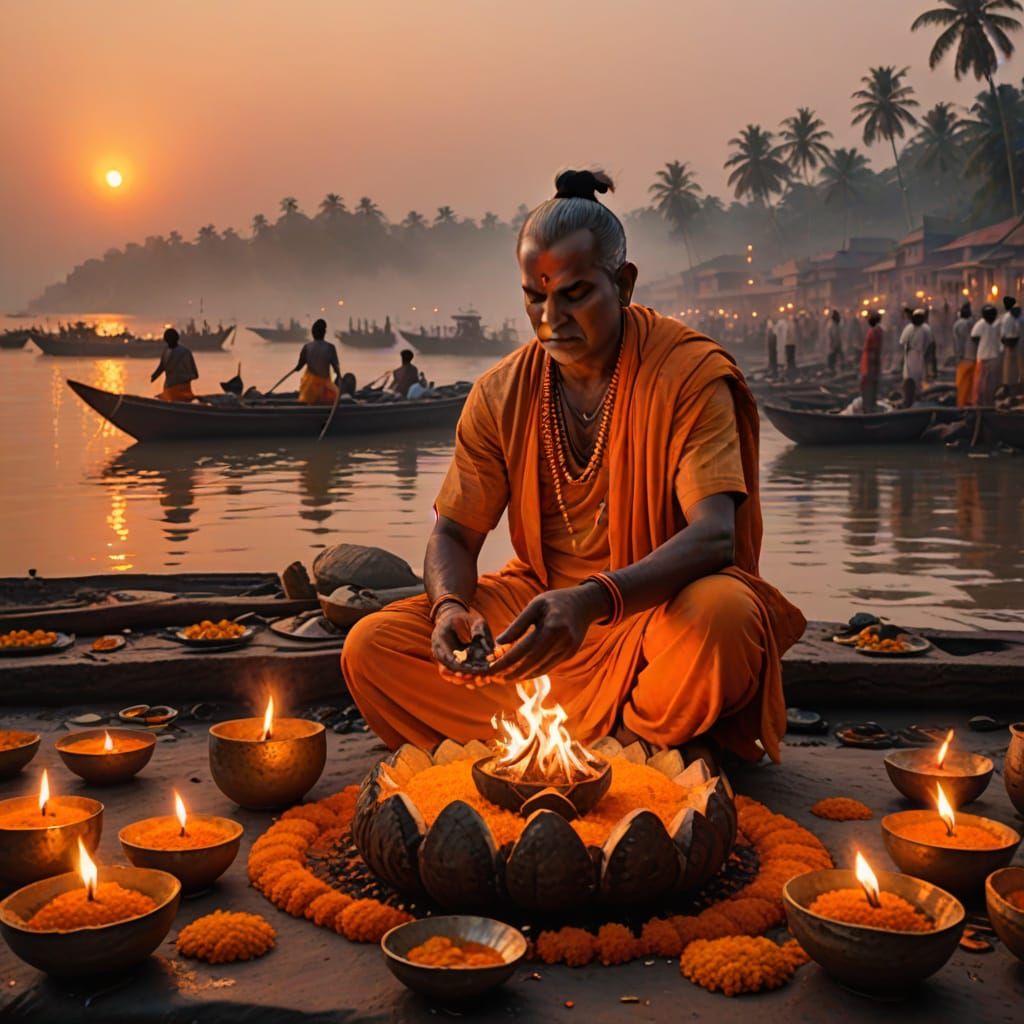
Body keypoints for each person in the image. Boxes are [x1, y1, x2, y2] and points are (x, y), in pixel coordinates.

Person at [341, 168, 805, 765]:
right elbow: (454, 532)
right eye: (535, 296)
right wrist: (451, 608)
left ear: (625, 283)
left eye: (575, 294)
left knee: (728, 620)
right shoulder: (501, 392)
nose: (550, 319)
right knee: (372, 648)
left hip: (652, 614)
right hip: (538, 609)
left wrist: (591, 602)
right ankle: (631, 750)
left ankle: (556, 744)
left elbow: (714, 534)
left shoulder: (687, 375)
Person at [294, 319, 341, 404]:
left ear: (313, 333)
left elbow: (299, 366)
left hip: (309, 391)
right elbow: (336, 369)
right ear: (324, 333)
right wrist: (339, 381)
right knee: (334, 393)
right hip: (325, 390)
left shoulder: (307, 347)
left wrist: (297, 368)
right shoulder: (330, 348)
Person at [150, 327, 198, 402]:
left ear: (177, 339)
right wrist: (155, 375)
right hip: (169, 388)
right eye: (168, 339)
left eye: (171, 339)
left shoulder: (185, 352)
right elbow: (162, 366)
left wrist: (182, 380)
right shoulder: (166, 351)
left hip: (182, 389)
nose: (169, 341)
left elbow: (193, 373)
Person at [898, 308, 932, 407]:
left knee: (914, 377)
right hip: (913, 354)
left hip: (916, 354)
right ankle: (911, 398)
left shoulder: (924, 328)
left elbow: (929, 344)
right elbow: (904, 343)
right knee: (912, 377)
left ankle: (914, 397)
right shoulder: (914, 328)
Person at [972, 304, 1002, 405]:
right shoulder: (980, 324)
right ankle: (980, 402)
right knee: (981, 383)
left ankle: (990, 402)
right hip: (983, 357)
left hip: (995, 356)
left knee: (993, 383)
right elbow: (974, 338)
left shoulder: (998, 324)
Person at [952, 303, 976, 406]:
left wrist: (958, 356)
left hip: (964, 358)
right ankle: (971, 404)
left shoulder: (959, 324)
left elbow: (959, 342)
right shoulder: (974, 322)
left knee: (962, 384)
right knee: (972, 384)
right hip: (974, 357)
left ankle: (961, 406)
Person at [860, 311, 883, 412]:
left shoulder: (875, 331)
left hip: (870, 363)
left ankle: (868, 408)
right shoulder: (874, 330)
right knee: (869, 384)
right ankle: (869, 406)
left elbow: (875, 348)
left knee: (869, 384)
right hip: (868, 361)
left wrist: (873, 364)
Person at [999, 295, 1021, 389]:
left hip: (1012, 344)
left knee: (1011, 369)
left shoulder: (1009, 317)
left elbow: (1004, 333)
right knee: (1011, 369)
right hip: (1012, 344)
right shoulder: (1010, 317)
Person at [775, 313, 796, 379]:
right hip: (786, 345)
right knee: (787, 360)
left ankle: (789, 375)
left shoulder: (788, 324)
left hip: (789, 345)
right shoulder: (782, 323)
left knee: (788, 360)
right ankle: (788, 375)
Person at [826, 309, 844, 374]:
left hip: (837, 342)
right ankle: (831, 368)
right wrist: (831, 342)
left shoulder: (835, 324)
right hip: (833, 343)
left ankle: (836, 367)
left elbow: (838, 333)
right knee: (832, 355)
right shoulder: (831, 324)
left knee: (836, 355)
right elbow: (832, 334)